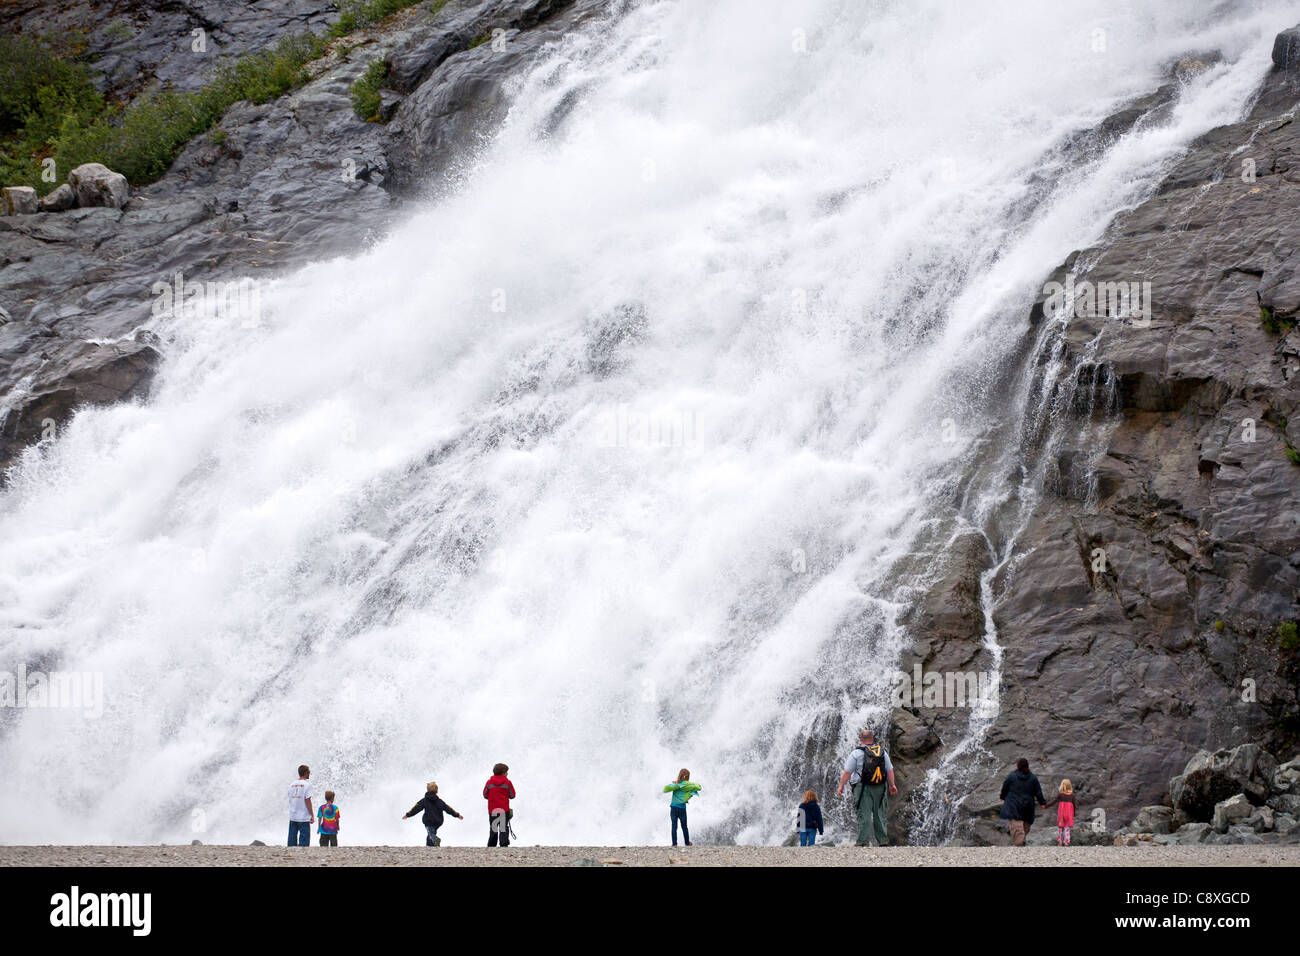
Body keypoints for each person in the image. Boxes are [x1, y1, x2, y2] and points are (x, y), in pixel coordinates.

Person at [836, 728, 897, 846]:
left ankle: (863, 842)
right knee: (880, 814)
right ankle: (883, 841)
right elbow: (889, 770)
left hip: (862, 788)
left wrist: (841, 786)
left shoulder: (856, 753)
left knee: (864, 814)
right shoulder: (882, 752)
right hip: (880, 787)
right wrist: (892, 785)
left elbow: (847, 772)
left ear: (861, 740)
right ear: (872, 739)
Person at [999, 757, 1047, 846]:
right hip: (1027, 805)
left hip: (1014, 804)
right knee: (1026, 825)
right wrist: (1042, 803)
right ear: (1027, 766)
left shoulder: (1012, 776)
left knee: (1016, 824)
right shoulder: (1033, 778)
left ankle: (1019, 843)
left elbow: (1005, 787)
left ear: (1018, 766)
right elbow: (1038, 791)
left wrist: (1002, 797)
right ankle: (1021, 842)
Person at [403, 781, 463, 846]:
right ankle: (431, 846)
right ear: (436, 791)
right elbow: (448, 809)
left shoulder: (424, 800)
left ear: (427, 790)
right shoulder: (439, 801)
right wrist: (457, 815)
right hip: (438, 821)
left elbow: (416, 808)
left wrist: (408, 814)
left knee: (431, 834)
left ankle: (435, 839)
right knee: (431, 833)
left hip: (429, 821)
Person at [662, 768, 701, 846]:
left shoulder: (675, 785)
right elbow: (699, 787)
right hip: (682, 808)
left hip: (673, 808)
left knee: (674, 826)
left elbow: (665, 789)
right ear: (687, 777)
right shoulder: (687, 786)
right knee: (684, 826)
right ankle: (687, 842)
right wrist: (689, 795)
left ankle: (674, 844)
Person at [483, 763, 516, 847]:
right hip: (504, 809)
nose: (507, 774)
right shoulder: (507, 783)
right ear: (503, 772)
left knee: (493, 828)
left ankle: (491, 845)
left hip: (493, 809)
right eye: (506, 772)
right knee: (503, 827)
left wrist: (492, 797)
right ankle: (503, 844)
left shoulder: (489, 782)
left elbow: (485, 795)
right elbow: (512, 795)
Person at [1044, 779, 1076, 846]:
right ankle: (1066, 841)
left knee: (1060, 827)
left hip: (1061, 814)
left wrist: (1046, 806)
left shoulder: (1060, 795)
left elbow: (1053, 802)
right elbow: (1075, 805)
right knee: (1067, 828)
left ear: (1062, 786)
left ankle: (1060, 842)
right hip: (1069, 814)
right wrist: (1074, 814)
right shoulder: (1072, 795)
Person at [287, 765, 313, 847]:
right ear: (305, 773)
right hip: (303, 816)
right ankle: (302, 857)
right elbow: (307, 800)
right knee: (304, 843)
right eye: (309, 772)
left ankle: (291, 856)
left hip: (293, 815)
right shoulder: (307, 785)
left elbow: (290, 799)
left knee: (291, 841)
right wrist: (311, 814)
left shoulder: (291, 785)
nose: (310, 773)